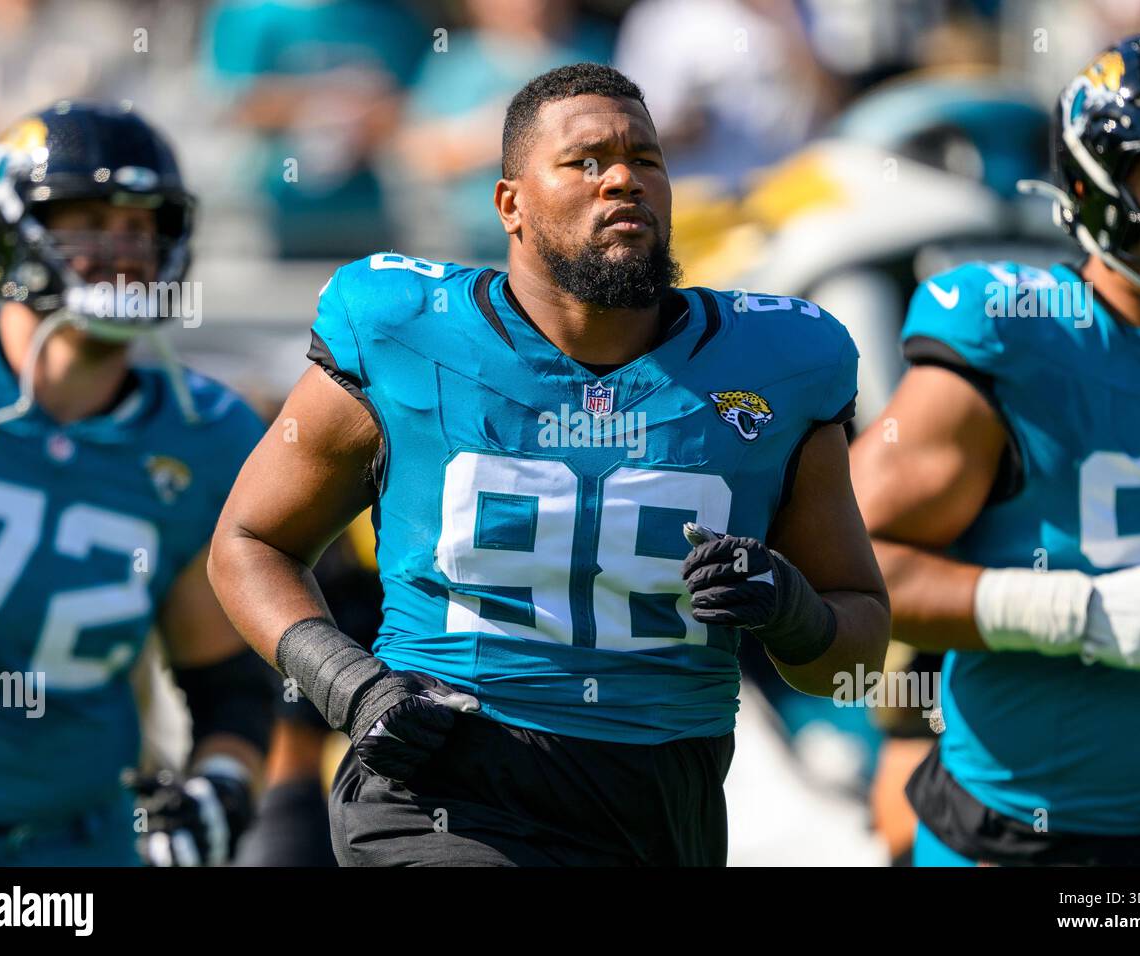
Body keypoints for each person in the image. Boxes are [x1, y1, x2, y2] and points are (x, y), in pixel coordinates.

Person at [209, 62, 890, 867]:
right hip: (443, 778)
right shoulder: (404, 330)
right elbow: (249, 542)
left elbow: (856, 647)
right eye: (587, 161)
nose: (624, 181)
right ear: (511, 205)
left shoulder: (780, 360)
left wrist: (792, 609)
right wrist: (348, 684)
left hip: (662, 794)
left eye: (646, 159)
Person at [850, 31, 1140, 866]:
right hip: (1017, 837)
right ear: (1097, 189)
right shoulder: (1015, 334)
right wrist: (1071, 613)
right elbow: (842, 561)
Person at [0, 102, 273, 866]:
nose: (121, 253)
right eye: (86, 222)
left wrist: (219, 787)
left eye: (139, 228)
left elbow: (226, 679)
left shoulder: (203, 437)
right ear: (13, 230)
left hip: (65, 848)